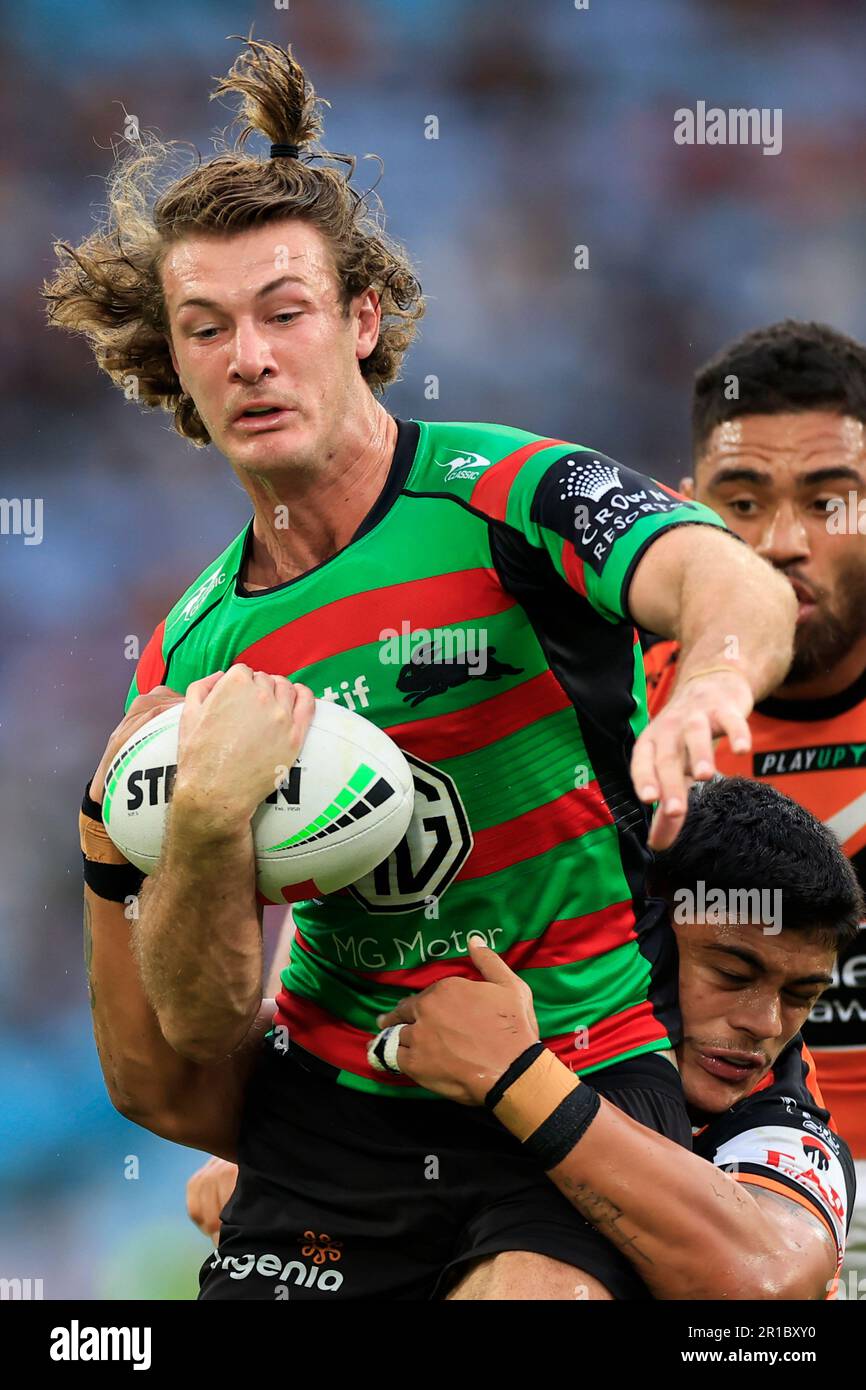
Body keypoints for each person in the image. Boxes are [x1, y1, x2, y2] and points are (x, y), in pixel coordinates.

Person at [54, 40, 796, 1300]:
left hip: (575, 1064)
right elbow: (195, 1025)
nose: (249, 358)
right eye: (207, 328)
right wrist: (208, 818)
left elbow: (721, 577)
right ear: (170, 361)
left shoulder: (506, 491)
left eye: (284, 312)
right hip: (339, 1109)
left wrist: (716, 681)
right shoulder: (192, 654)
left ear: (360, 319)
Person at [373, 778, 860, 1299]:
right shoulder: (520, 975)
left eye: (800, 995)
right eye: (732, 976)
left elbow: (769, 1287)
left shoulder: (784, 1113)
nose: (764, 1024)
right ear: (645, 927)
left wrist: (515, 1076)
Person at [644, 320, 866, 1284]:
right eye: (744, 502)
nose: (783, 543)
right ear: (686, 520)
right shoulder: (622, 711)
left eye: (830, 501)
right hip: (685, 1180)